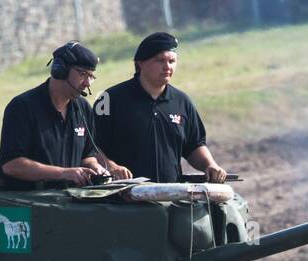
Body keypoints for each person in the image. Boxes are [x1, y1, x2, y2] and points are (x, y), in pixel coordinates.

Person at [93, 32, 227, 184]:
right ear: (140, 63)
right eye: (160, 60)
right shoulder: (110, 99)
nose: (167, 67)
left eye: (172, 61)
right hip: (124, 200)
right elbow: (90, 145)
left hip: (170, 196)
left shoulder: (182, 101)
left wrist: (210, 165)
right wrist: (111, 167)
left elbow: (194, 145)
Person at [0, 41, 109, 187]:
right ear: (60, 69)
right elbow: (11, 165)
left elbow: (87, 156)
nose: (88, 83)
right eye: (83, 74)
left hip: (66, 202)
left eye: (91, 77)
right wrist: (63, 173)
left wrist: (95, 168)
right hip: (22, 202)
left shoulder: (83, 109)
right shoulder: (22, 107)